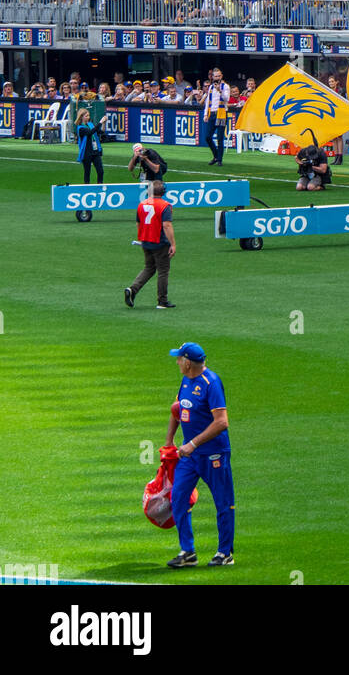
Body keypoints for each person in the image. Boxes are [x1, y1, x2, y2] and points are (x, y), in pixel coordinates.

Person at [165, 342, 235, 568]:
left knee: (223, 502)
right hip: (189, 455)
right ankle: (188, 552)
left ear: (187, 363)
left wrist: (193, 443)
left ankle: (225, 553)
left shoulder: (211, 383)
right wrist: (169, 442)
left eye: (179, 359)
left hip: (213, 454)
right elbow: (178, 410)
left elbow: (222, 422)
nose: (176, 362)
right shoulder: (186, 380)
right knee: (178, 497)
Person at [124, 179, 176, 310]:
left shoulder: (142, 204)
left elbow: (138, 223)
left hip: (145, 241)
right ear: (163, 192)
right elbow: (167, 225)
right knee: (163, 271)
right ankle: (162, 301)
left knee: (149, 268)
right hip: (160, 243)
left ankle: (133, 289)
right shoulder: (165, 206)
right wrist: (173, 244)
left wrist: (143, 236)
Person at [202, 68, 230, 166]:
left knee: (220, 138)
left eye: (219, 76)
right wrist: (205, 114)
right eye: (215, 76)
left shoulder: (225, 86)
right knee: (207, 137)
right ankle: (216, 155)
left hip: (221, 113)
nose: (217, 78)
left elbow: (227, 99)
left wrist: (220, 90)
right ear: (213, 77)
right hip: (212, 113)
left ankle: (219, 160)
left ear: (221, 76)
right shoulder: (211, 87)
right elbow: (207, 102)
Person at [75, 108, 104, 184]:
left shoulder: (90, 124)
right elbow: (90, 132)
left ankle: (99, 186)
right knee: (87, 172)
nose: (88, 117)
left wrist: (103, 123)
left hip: (95, 151)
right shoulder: (80, 128)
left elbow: (101, 132)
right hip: (86, 153)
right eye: (86, 116)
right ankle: (87, 187)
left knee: (100, 171)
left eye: (88, 115)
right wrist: (100, 122)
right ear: (81, 117)